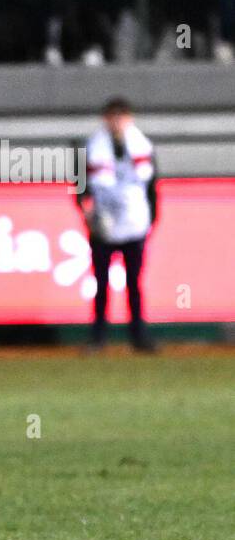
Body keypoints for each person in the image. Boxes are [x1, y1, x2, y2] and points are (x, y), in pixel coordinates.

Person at [78, 97, 158, 352]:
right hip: (104, 223)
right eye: (112, 116)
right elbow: (79, 185)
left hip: (134, 222)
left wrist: (152, 218)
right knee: (101, 283)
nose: (116, 122)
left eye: (121, 116)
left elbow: (152, 185)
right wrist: (87, 215)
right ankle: (98, 337)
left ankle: (139, 336)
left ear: (129, 118)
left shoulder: (142, 146)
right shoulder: (92, 147)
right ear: (105, 119)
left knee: (134, 283)